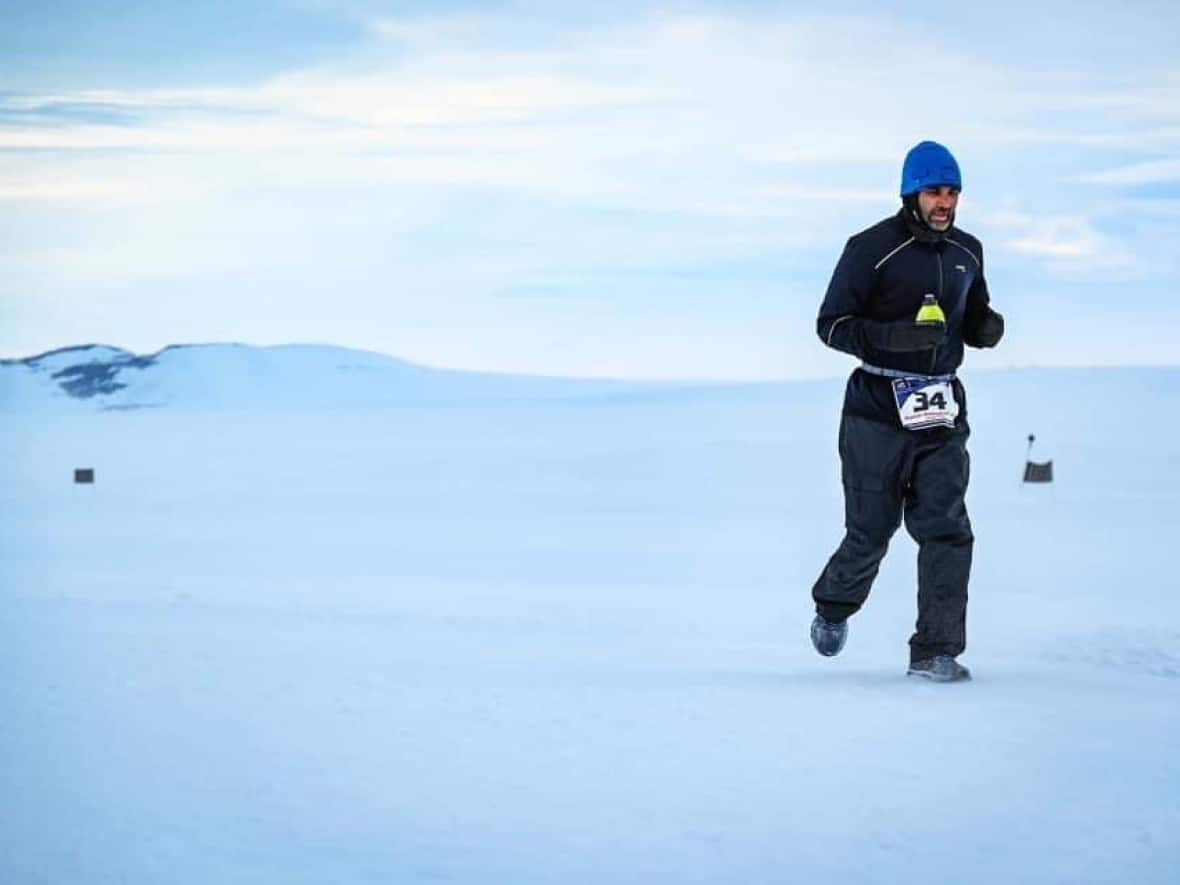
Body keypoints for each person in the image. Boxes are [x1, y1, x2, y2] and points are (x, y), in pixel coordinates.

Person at [809, 140, 1004, 682]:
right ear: (910, 193)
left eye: (952, 192)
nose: (945, 202)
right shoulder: (871, 248)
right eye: (934, 191)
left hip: (940, 407)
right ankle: (833, 606)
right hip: (876, 409)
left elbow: (972, 313)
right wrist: (892, 338)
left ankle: (935, 651)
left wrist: (984, 327)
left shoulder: (968, 250)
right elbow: (831, 325)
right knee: (872, 531)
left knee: (946, 528)